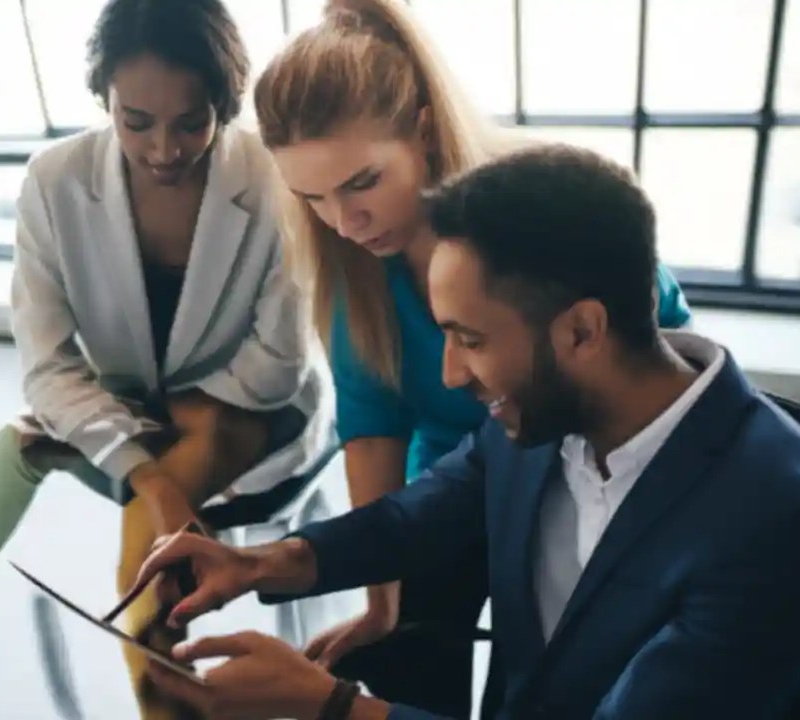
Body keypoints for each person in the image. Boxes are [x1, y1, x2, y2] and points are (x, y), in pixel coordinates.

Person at [130, 145, 800, 720]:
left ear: (581, 329)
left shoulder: (788, 523)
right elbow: (421, 514)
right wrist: (261, 565)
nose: (451, 375)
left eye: (470, 339)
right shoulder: (542, 412)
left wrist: (331, 706)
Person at [0, 0, 327, 714]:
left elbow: (279, 357)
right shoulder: (55, 181)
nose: (165, 149)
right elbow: (48, 365)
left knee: (147, 564)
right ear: (104, 98)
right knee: (19, 442)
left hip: (252, 409)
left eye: (192, 122)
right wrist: (149, 473)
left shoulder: (271, 176)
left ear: (224, 102)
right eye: (137, 122)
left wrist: (166, 441)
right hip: (136, 412)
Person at [250, 0, 690, 714]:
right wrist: (380, 602)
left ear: (422, 128)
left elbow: (659, 346)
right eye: (314, 198)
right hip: (450, 488)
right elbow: (372, 433)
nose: (343, 221)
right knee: (402, 655)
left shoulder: (543, 203)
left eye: (362, 183)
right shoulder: (350, 264)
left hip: (581, 470)